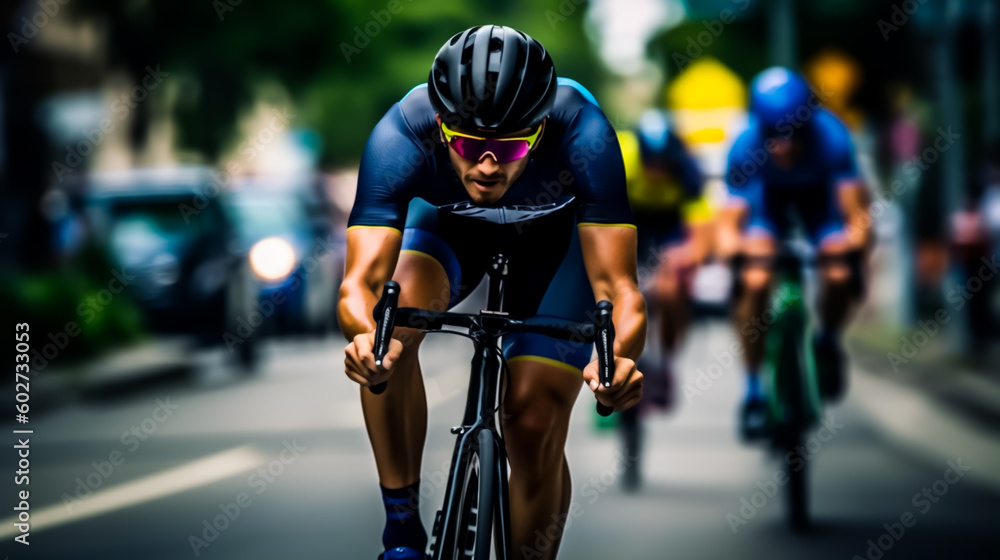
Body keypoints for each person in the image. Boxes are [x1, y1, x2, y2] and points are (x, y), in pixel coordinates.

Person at [338, 26, 646, 560]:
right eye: (466, 144)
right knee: (390, 329)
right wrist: (365, 339)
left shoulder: (584, 132)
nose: (486, 165)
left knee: (531, 418)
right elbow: (359, 284)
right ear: (441, 126)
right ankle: (402, 532)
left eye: (509, 147)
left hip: (555, 250)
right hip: (451, 233)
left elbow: (619, 288)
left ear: (540, 130)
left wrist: (616, 359)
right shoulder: (402, 134)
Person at [717, 67, 871, 440]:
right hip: (768, 206)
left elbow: (856, 217)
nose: (783, 146)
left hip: (820, 204)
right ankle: (753, 389)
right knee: (755, 281)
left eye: (792, 135)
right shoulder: (745, 147)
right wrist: (733, 251)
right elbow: (729, 224)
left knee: (838, 271)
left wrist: (854, 248)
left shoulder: (832, 137)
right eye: (773, 136)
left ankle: (828, 339)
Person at [615, 109, 709, 488]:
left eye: (662, 164)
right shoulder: (621, 158)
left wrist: (686, 258)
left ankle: (666, 359)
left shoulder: (687, 170)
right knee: (613, 292)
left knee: (672, 289)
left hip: (670, 231)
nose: (655, 171)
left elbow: (701, 233)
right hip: (630, 223)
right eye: (650, 163)